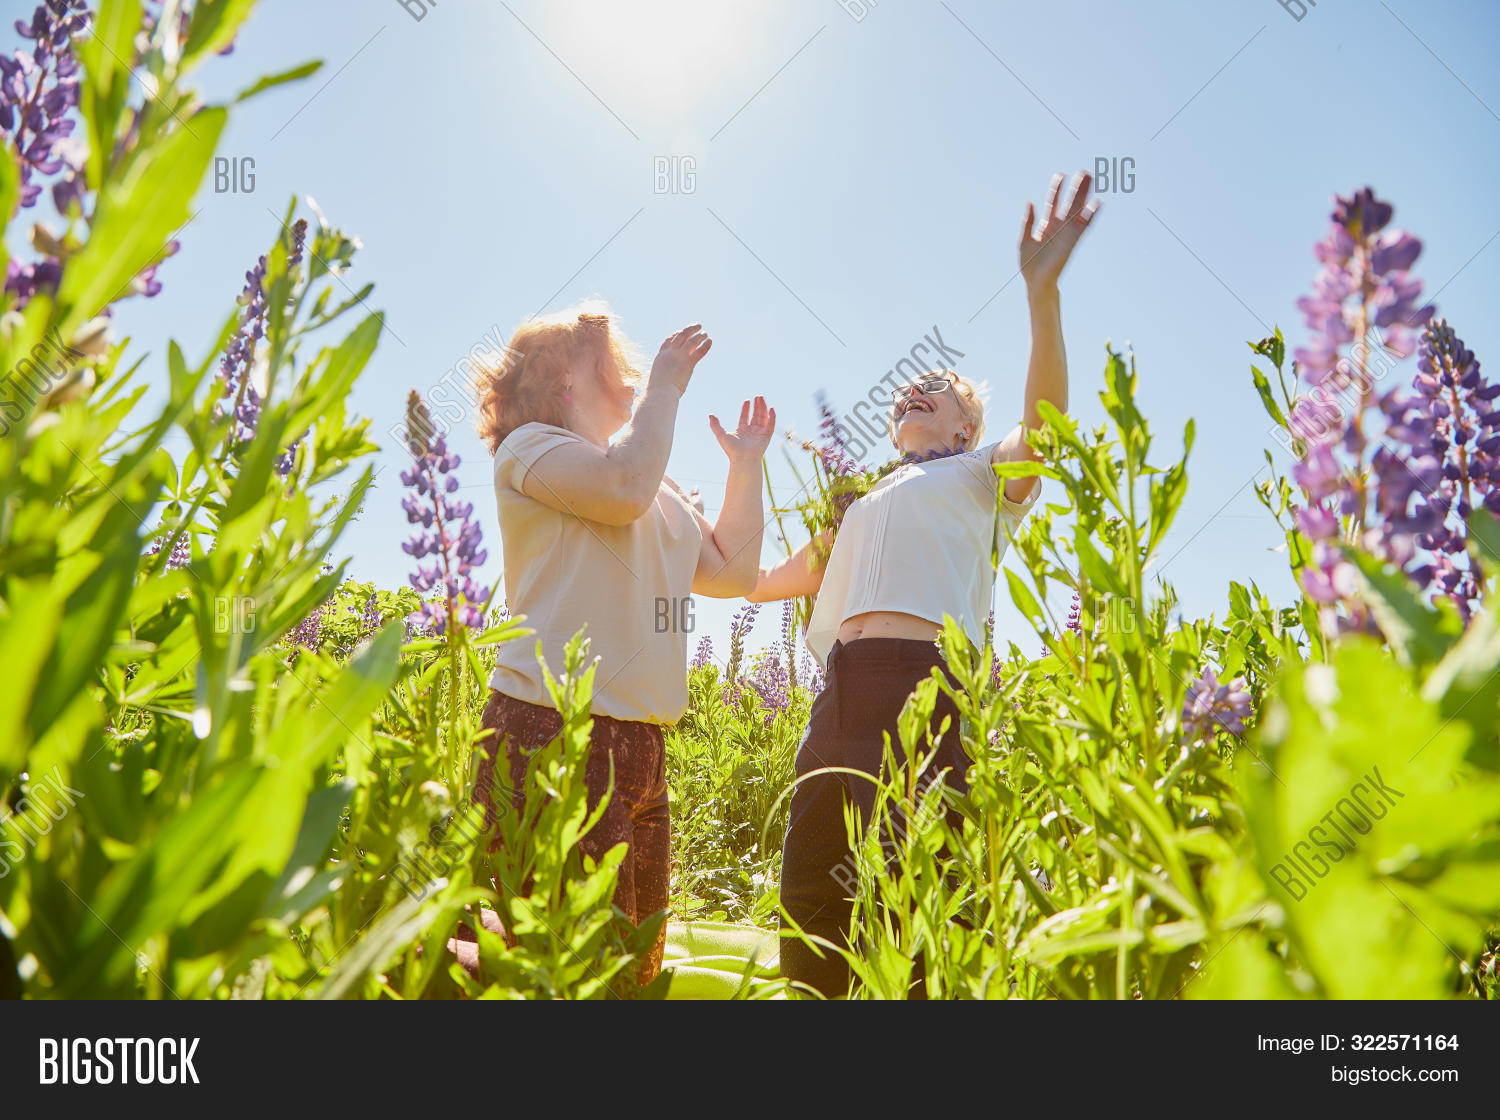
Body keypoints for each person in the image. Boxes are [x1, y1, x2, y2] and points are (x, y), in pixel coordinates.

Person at [747, 172, 1100, 997]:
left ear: (967, 428)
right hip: (840, 688)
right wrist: (730, 488)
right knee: (813, 876)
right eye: (909, 390)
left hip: (930, 680)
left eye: (934, 392)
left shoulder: (980, 476)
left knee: (926, 878)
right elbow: (768, 581)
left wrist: (1041, 295)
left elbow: (1045, 427)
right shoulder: (863, 498)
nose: (913, 391)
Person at [466, 302, 775, 981]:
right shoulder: (532, 449)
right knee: (548, 965)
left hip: (641, 749)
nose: (629, 368)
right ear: (563, 379)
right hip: (551, 731)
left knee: (629, 968)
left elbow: (732, 572)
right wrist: (666, 389)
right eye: (606, 355)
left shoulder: (653, 483)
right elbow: (623, 487)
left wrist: (745, 467)